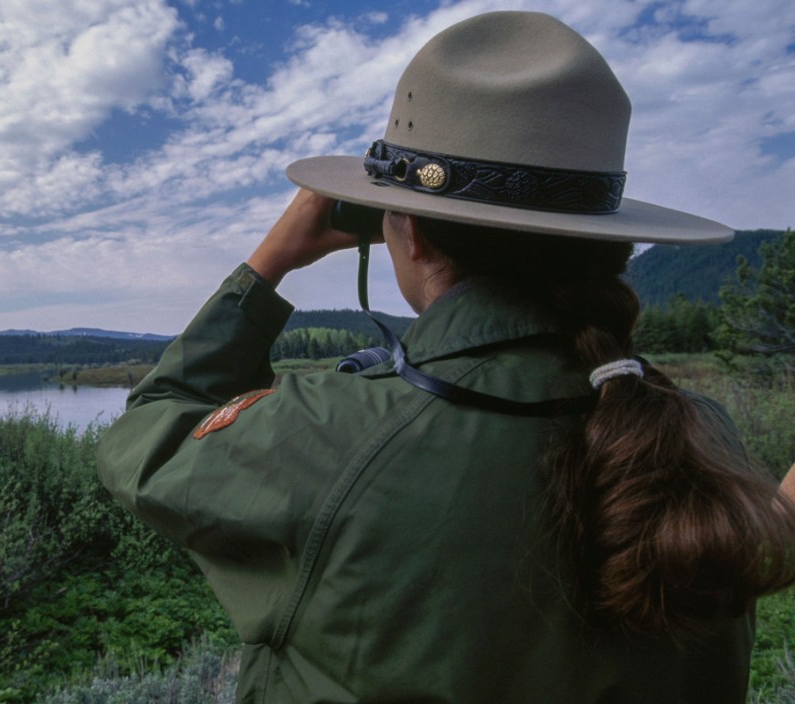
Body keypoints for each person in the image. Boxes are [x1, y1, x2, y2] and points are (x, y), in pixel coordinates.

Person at [97, 11, 795, 703]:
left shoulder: (330, 436)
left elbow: (144, 434)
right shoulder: (695, 437)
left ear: (413, 236)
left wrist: (267, 264)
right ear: (607, 240)